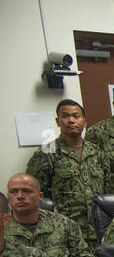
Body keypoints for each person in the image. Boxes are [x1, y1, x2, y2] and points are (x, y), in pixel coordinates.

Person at [3, 174, 95, 257]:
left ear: (40, 196)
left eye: (26, 191)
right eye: (14, 192)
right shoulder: (2, 228)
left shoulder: (63, 224)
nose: (20, 196)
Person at [25, 98, 100, 244]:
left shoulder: (97, 151)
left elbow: (107, 188)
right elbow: (35, 195)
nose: (71, 120)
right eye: (65, 116)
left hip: (98, 227)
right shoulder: (46, 153)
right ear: (58, 121)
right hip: (65, 229)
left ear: (85, 122)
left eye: (76, 116)